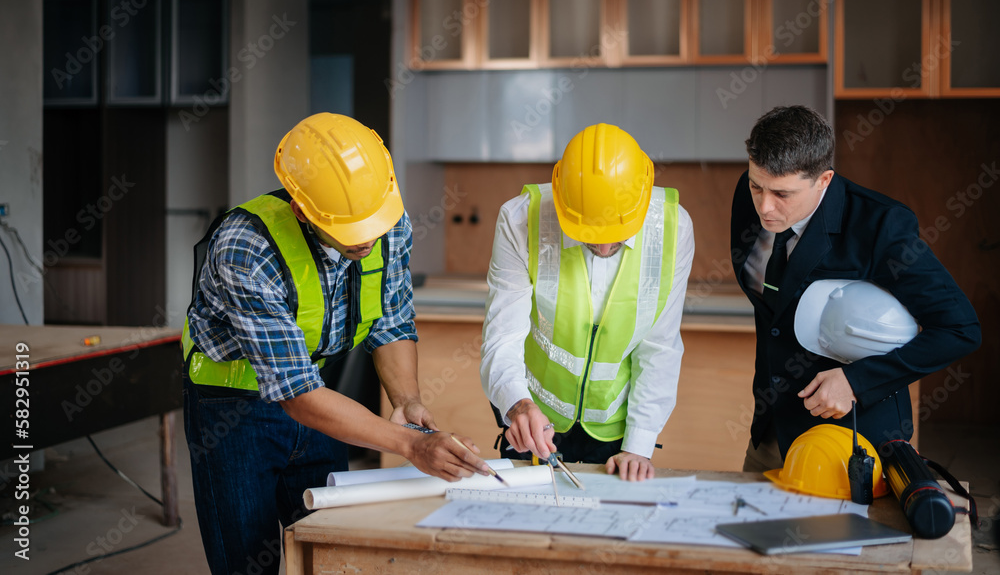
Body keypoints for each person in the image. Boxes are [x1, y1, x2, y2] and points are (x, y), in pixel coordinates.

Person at [182, 113, 491, 575]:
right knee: (247, 559)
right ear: (303, 211)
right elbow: (295, 391)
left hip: (320, 392)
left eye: (374, 221)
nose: (368, 236)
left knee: (331, 547)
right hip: (232, 409)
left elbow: (391, 319)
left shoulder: (386, 218)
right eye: (352, 229)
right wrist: (410, 446)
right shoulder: (247, 246)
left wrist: (408, 400)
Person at [730, 105, 981, 473]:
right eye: (756, 186)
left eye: (783, 194)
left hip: (853, 442)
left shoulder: (881, 226)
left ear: (824, 180)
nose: (765, 207)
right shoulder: (747, 194)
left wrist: (855, 381)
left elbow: (960, 330)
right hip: (771, 433)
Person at [480, 123, 694, 481]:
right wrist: (518, 405)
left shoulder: (673, 229)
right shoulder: (521, 220)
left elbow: (659, 346)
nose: (606, 248)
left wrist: (638, 445)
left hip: (615, 433)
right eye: (591, 236)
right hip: (532, 420)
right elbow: (502, 337)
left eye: (619, 235)